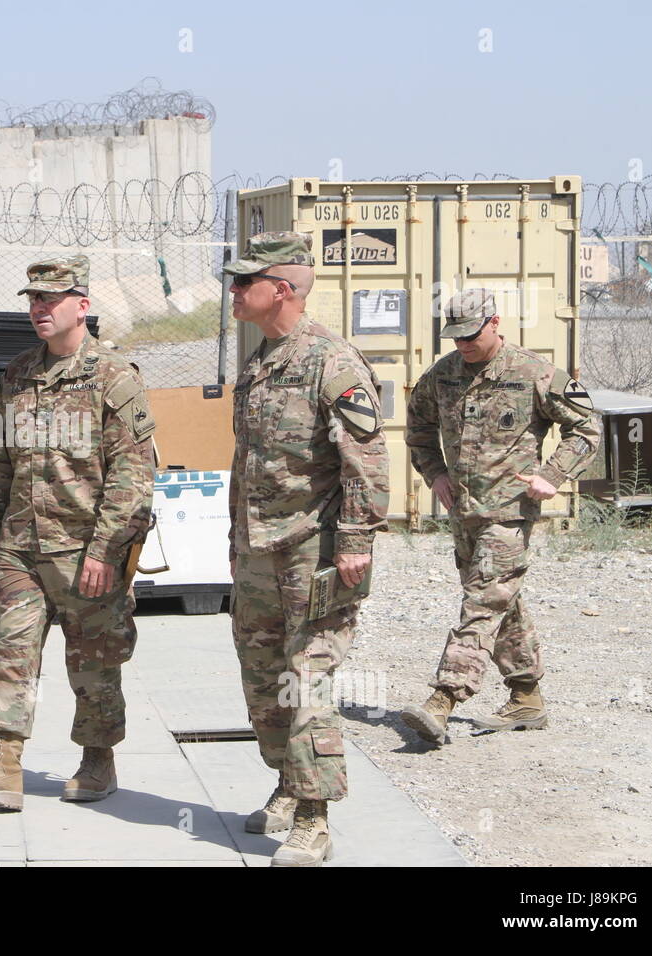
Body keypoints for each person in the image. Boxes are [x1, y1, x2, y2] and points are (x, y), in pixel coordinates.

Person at [0, 255, 156, 811]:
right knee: (9, 652)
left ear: (82, 306)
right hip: (20, 546)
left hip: (86, 549)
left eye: (51, 299)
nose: (39, 308)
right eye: (33, 299)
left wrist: (108, 549)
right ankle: (3, 765)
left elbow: (132, 476)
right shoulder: (15, 376)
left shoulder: (115, 377)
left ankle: (97, 759)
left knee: (94, 662)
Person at [226, 232, 390, 866]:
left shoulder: (332, 362)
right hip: (258, 551)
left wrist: (354, 541)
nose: (235, 292)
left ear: (282, 289)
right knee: (262, 678)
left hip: (313, 551)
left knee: (305, 678)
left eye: (246, 283)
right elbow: (249, 464)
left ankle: (316, 817)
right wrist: (235, 543)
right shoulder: (261, 362)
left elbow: (367, 462)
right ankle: (290, 783)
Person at [400, 289, 599, 745]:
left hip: (508, 515)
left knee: (482, 603)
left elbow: (587, 427)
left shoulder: (534, 373)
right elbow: (418, 430)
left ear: (494, 323)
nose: (463, 345)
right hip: (465, 513)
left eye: (471, 335)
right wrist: (435, 475)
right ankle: (526, 697)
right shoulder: (443, 375)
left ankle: (444, 699)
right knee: (500, 601)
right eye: (455, 337)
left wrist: (554, 474)